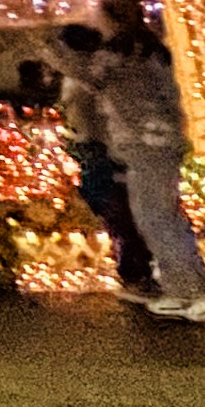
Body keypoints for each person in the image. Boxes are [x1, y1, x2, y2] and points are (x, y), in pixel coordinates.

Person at [88, 3, 205, 322]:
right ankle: (195, 286)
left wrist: (49, 48)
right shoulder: (150, 50)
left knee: (155, 219)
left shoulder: (119, 55)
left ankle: (191, 291)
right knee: (165, 216)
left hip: (145, 146)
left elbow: (90, 76)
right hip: (159, 143)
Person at [49, 24, 156, 296]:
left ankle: (134, 268)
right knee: (119, 208)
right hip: (106, 149)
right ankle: (136, 265)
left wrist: (75, 138)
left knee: (115, 208)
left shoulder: (84, 80)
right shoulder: (93, 76)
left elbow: (85, 121)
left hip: (99, 150)